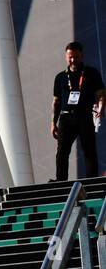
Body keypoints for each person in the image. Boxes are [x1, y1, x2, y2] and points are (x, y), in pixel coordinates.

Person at [52, 41, 105, 180]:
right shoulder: (60, 77)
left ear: (81, 56)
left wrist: (101, 107)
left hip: (85, 116)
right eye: (70, 57)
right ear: (66, 57)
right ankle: (61, 182)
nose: (73, 60)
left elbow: (100, 94)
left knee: (89, 150)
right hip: (66, 118)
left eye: (76, 56)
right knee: (62, 151)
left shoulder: (91, 73)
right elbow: (56, 102)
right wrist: (53, 122)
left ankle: (91, 181)